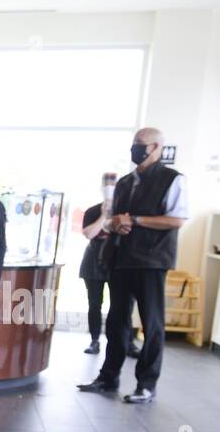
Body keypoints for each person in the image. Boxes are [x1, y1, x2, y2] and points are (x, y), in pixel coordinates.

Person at [77, 127, 187, 403]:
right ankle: (108, 376)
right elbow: (113, 218)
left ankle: (146, 384)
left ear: (157, 147)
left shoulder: (172, 180)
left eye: (141, 144)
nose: (135, 149)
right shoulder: (125, 182)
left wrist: (135, 220)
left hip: (151, 260)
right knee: (116, 320)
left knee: (151, 323)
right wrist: (116, 223)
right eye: (134, 144)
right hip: (121, 258)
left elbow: (177, 220)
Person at [78, 195, 112, 354]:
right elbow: (89, 233)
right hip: (93, 262)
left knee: (120, 305)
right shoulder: (92, 211)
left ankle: (124, 341)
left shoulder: (125, 211)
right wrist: (104, 215)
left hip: (117, 262)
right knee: (94, 303)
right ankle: (94, 340)